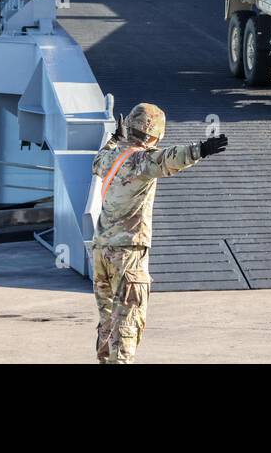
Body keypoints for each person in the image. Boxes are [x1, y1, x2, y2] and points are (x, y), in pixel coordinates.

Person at [90, 103, 228, 364]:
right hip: (128, 254)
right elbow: (168, 158)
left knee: (107, 322)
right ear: (154, 135)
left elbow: (97, 159)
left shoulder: (110, 159)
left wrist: (114, 138)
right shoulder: (141, 161)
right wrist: (201, 150)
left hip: (101, 251)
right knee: (128, 323)